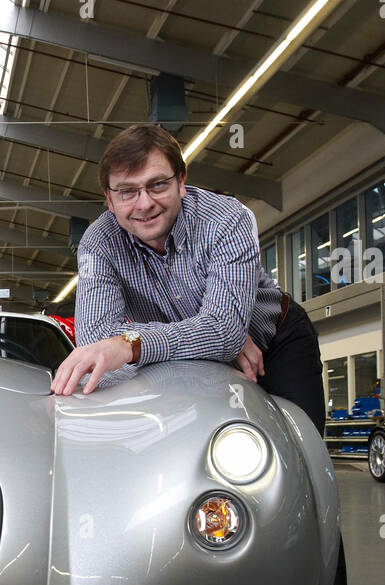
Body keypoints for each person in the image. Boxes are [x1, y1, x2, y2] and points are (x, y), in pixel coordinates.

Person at [50, 124, 324, 432]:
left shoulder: (228, 220)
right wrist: (214, 338)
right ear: (110, 200)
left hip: (275, 341)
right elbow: (97, 338)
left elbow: (223, 330)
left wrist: (130, 343)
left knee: (302, 446)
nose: (144, 204)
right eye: (128, 191)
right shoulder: (98, 243)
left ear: (181, 182)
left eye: (157, 185)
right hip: (178, 365)